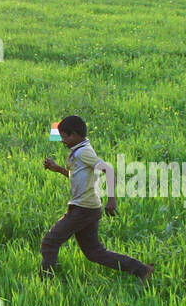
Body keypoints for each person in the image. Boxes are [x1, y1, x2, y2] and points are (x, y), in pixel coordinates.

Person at [40, 115, 153, 281]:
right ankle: (141, 270)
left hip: (83, 209)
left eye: (65, 136)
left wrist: (112, 199)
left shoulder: (84, 152)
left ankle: (45, 281)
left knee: (50, 242)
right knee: (94, 253)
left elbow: (108, 169)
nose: (62, 141)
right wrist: (57, 168)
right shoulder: (78, 150)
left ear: (76, 135)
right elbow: (76, 175)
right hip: (87, 208)